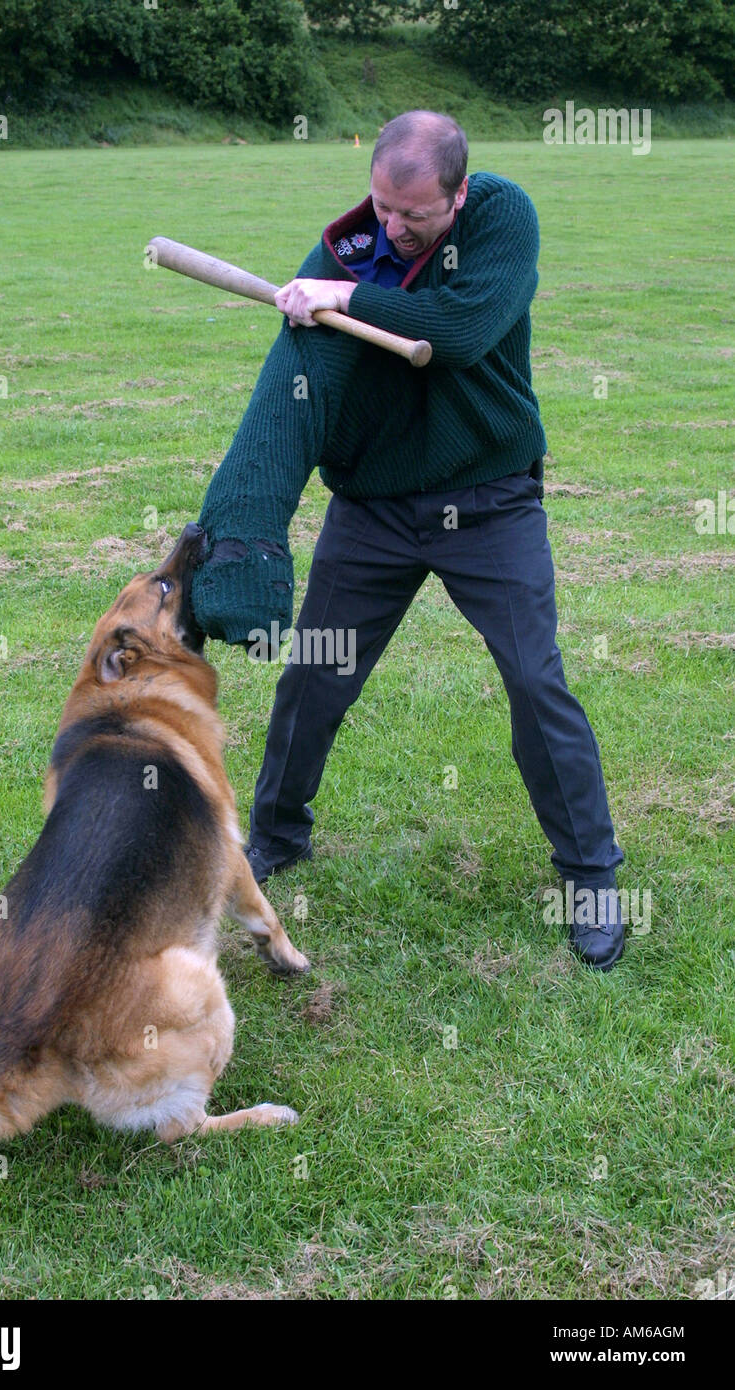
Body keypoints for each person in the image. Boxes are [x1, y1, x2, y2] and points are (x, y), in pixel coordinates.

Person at [192, 109, 625, 971]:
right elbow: (289, 407)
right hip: (376, 510)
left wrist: (345, 300)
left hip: (491, 500)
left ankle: (591, 876)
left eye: (414, 215)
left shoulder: (502, 218)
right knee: (315, 675)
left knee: (536, 680)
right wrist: (244, 543)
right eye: (382, 207)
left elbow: (456, 334)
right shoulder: (346, 253)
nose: (392, 226)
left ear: (457, 194)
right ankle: (275, 834)